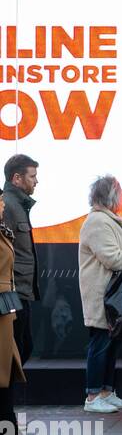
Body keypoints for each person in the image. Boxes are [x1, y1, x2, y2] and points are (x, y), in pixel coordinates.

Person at [79, 175, 122, 414]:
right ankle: (92, 395)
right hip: (104, 295)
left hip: (114, 295)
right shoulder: (98, 222)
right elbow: (111, 257)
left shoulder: (108, 220)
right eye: (120, 192)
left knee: (111, 344)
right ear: (111, 196)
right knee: (100, 343)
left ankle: (106, 392)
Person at [2, 154, 38, 363]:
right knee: (15, 350)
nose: (36, 181)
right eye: (32, 176)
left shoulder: (17, 205)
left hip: (21, 291)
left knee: (23, 347)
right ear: (17, 178)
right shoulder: (7, 206)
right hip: (12, 294)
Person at [0, 191, 28, 435]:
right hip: (2, 304)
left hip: (7, 304)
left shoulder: (3, 230)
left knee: (7, 371)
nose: (2, 205)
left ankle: (7, 430)